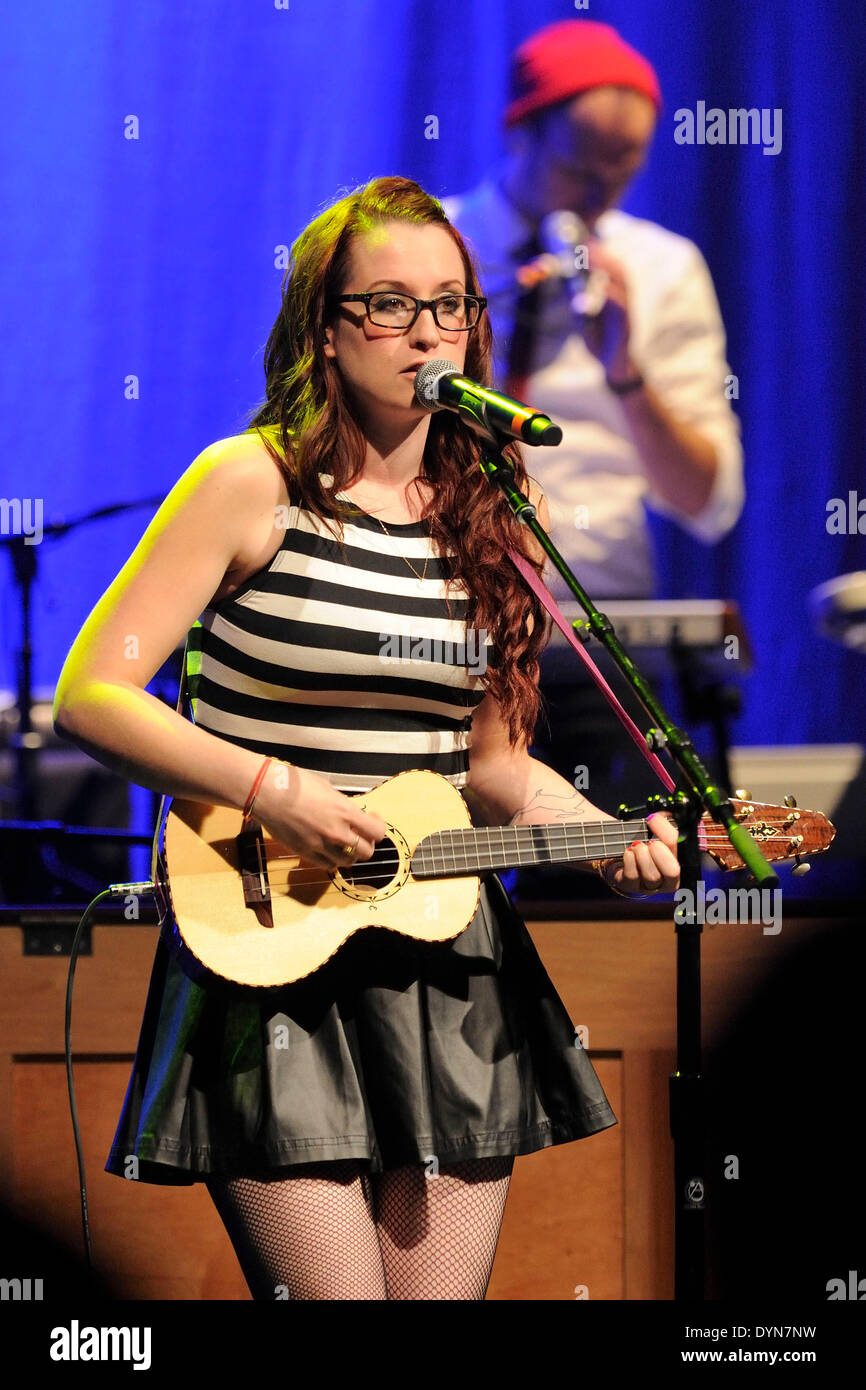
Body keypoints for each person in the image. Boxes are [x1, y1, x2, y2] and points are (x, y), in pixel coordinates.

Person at [52, 175, 680, 1302]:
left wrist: (606, 834)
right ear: (324, 332)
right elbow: (94, 692)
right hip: (268, 942)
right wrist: (273, 787)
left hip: (449, 967)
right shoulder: (248, 482)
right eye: (389, 306)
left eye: (449, 306)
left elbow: (492, 767)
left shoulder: (492, 506)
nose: (426, 332)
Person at [442, 20, 745, 868]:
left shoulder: (664, 267)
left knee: (610, 889)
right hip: (443, 628)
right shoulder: (435, 250)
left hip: (592, 639)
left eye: (627, 167)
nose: (602, 190)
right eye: (581, 165)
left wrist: (625, 369)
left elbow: (708, 502)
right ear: (518, 130)